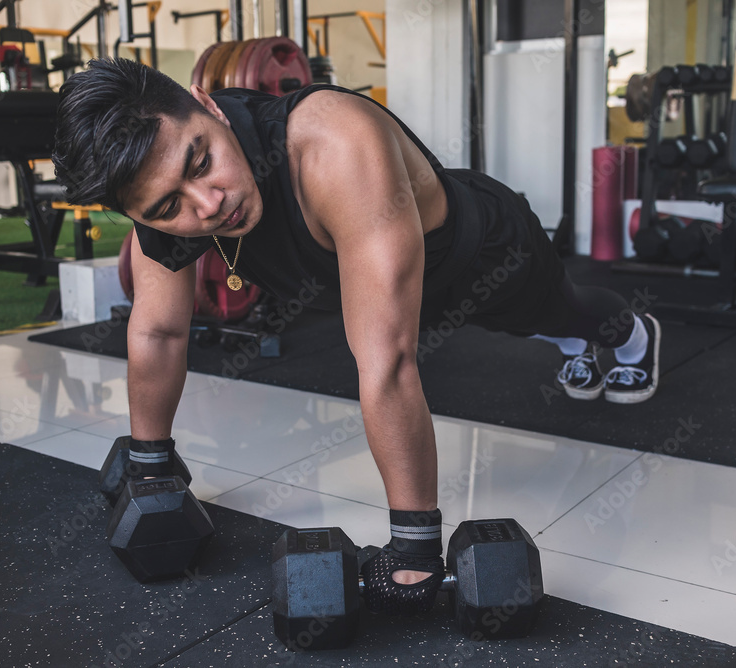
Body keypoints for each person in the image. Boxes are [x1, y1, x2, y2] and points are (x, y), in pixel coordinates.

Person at [52, 58, 661, 616]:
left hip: (482, 260)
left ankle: (631, 337)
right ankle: (578, 347)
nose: (207, 206)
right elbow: (158, 330)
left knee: (562, 315)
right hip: (369, 282)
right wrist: (150, 464)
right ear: (137, 216)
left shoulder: (332, 142)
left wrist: (414, 543)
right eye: (167, 208)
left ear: (207, 106)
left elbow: (387, 363)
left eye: (202, 160)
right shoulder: (166, 196)